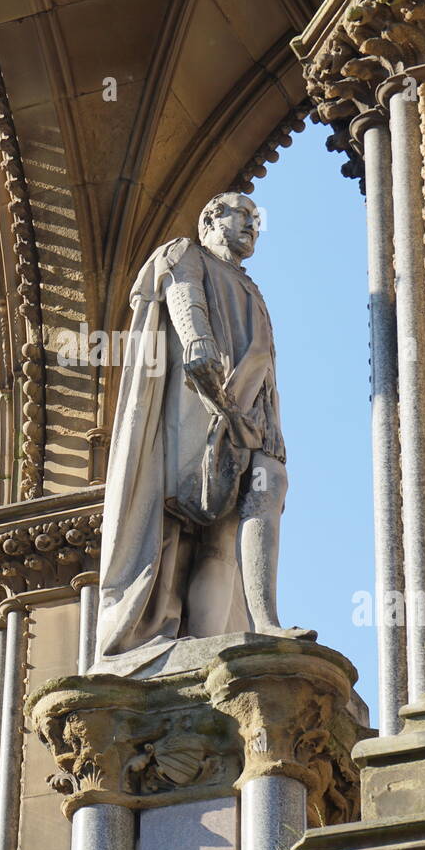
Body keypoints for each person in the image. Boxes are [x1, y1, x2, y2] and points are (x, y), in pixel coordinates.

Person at [95, 192, 290, 663]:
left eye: (256, 219)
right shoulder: (185, 252)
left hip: (251, 412)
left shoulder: (251, 288)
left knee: (265, 489)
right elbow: (186, 304)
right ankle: (203, 646)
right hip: (196, 403)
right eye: (242, 215)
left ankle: (261, 623)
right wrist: (200, 345)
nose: (252, 225)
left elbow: (264, 361)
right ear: (210, 218)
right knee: (208, 520)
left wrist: (270, 424)